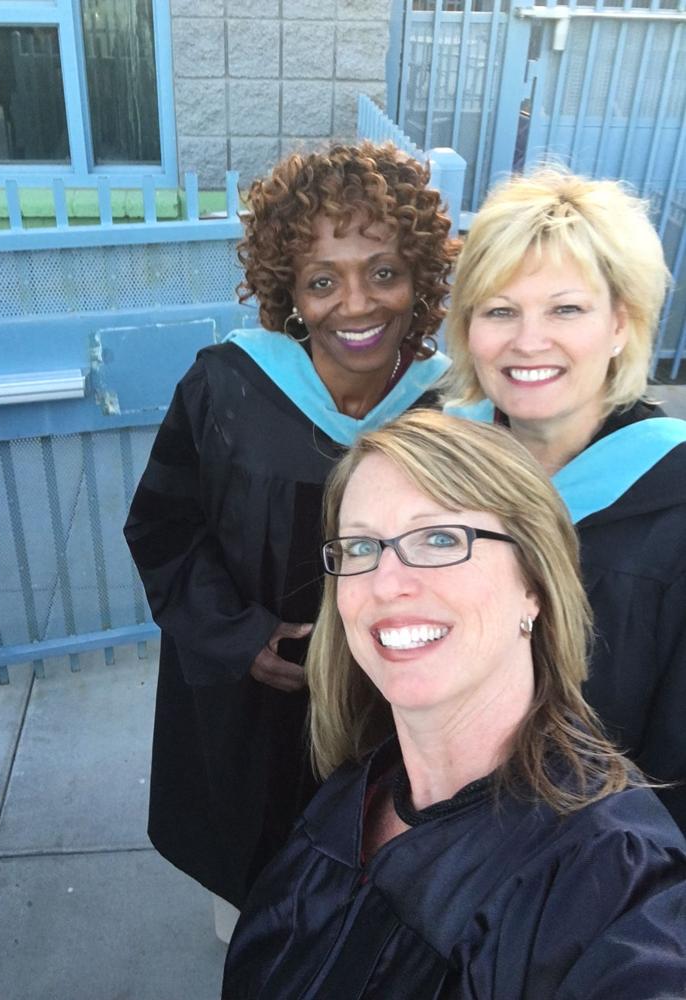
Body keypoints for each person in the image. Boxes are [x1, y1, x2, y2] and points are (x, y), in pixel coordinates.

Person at [222, 410, 686, 999]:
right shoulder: (359, 786)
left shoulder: (612, 877)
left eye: (440, 538)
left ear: (535, 583)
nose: (386, 583)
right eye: (362, 546)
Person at [124, 142, 457, 915]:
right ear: (290, 293)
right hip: (255, 710)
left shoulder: (450, 410)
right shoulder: (227, 389)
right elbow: (164, 528)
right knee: (253, 878)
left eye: (383, 271)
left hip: (393, 709)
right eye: (321, 281)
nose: (356, 304)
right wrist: (238, 636)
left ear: (419, 275)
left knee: (380, 882)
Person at [444, 169, 686, 831]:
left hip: (598, 875)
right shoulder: (436, 465)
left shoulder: (673, 502)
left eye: (565, 309)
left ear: (620, 325)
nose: (528, 341)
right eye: (499, 310)